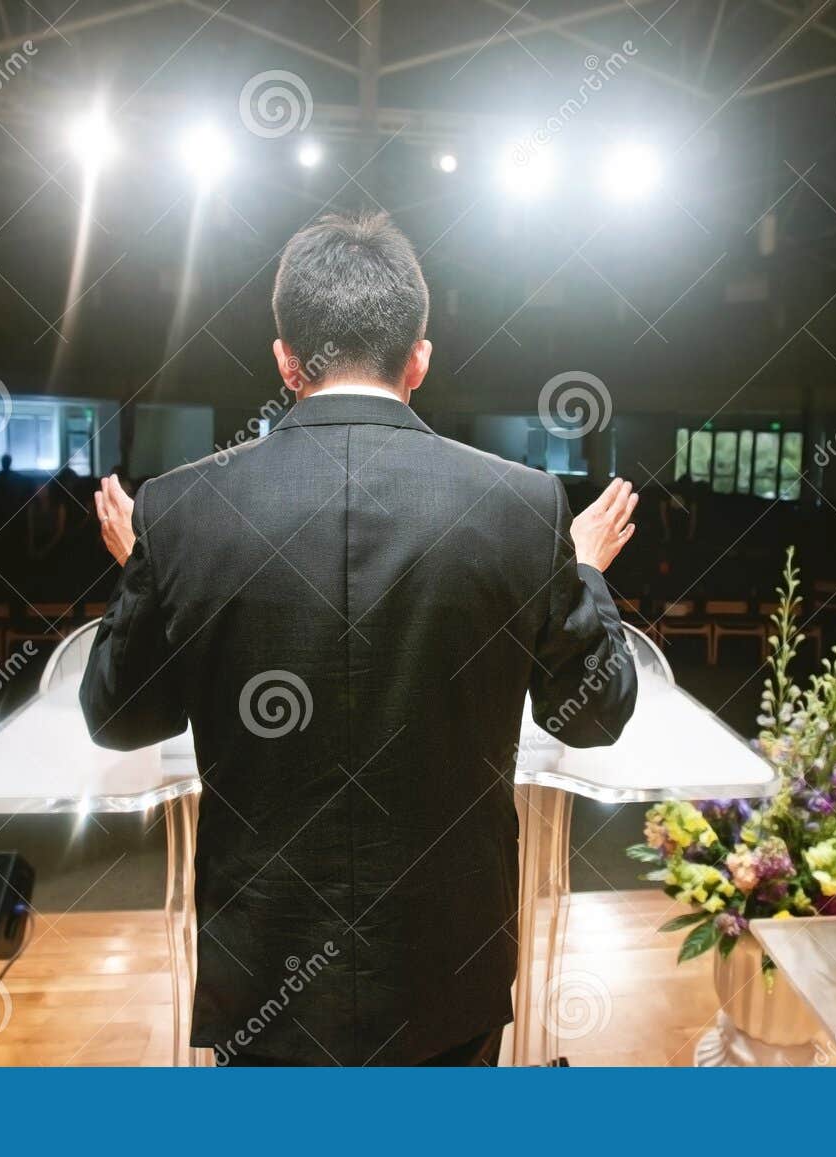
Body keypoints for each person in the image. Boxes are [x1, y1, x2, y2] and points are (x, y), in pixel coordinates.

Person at [80, 212, 638, 1067]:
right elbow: (592, 714)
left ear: (283, 359)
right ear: (419, 356)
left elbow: (118, 715)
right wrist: (583, 567)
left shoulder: (184, 509)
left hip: (263, 964)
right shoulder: (522, 506)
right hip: (445, 965)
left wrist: (151, 571)